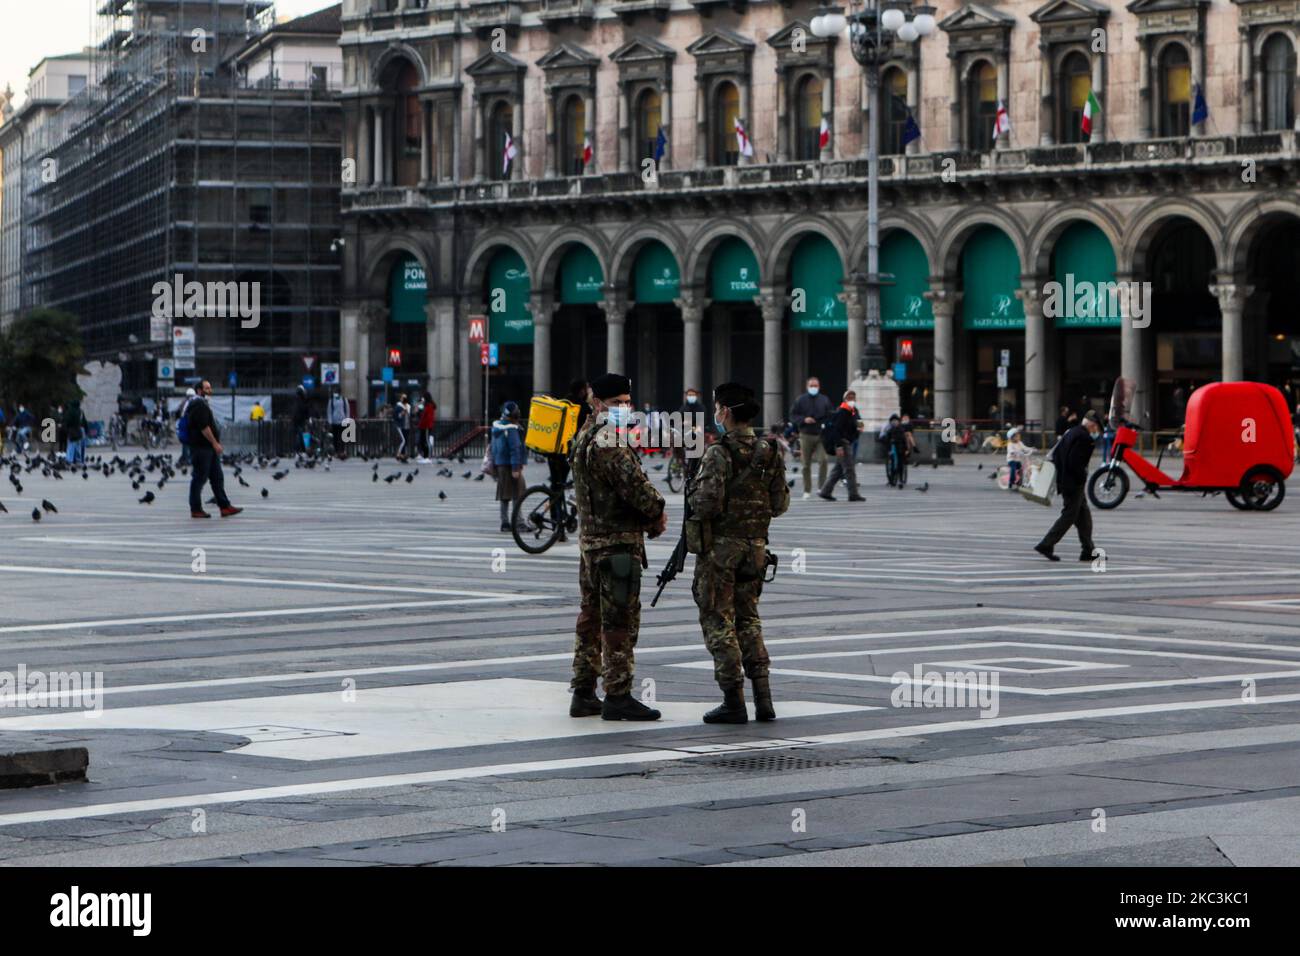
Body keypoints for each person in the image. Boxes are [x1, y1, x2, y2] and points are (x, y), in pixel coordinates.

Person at [688, 382, 789, 723]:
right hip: (756, 551)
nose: (715, 414)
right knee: (749, 619)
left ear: (726, 413)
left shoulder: (719, 453)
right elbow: (780, 504)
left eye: (717, 408)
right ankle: (764, 698)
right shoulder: (769, 451)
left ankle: (733, 698)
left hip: (721, 552)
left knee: (719, 619)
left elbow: (705, 504)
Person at [569, 372, 667, 722]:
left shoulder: (583, 437)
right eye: (616, 404)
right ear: (597, 404)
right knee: (619, 622)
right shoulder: (609, 441)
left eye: (627, 403)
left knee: (590, 618)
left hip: (591, 545)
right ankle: (619, 695)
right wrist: (657, 512)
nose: (625, 408)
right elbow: (637, 489)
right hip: (617, 549)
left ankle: (583, 691)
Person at [1035, 409, 1101, 561]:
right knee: (1069, 515)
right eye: (1096, 427)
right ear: (1091, 423)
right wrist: (1082, 476)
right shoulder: (1084, 438)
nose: (1096, 431)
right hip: (1073, 483)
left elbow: (1058, 455)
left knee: (1083, 516)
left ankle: (1088, 550)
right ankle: (1046, 544)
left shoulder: (1072, 432)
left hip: (1066, 480)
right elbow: (1074, 462)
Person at [186, 380, 242, 519]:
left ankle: (224, 506)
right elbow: (204, 427)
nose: (210, 390)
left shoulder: (202, 404)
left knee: (217, 477)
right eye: (207, 388)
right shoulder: (198, 405)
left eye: (210, 388)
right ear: (199, 390)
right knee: (199, 478)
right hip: (202, 448)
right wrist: (215, 443)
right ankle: (196, 509)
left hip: (208, 449)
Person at [789, 377, 834, 499]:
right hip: (805, 434)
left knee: (823, 460)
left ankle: (822, 487)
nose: (814, 388)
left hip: (820, 435)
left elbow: (830, 415)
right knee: (805, 464)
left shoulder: (824, 400)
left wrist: (824, 424)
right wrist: (803, 419)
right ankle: (807, 489)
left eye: (816, 385)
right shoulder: (800, 400)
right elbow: (793, 415)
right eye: (812, 385)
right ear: (807, 386)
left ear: (819, 387)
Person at [818, 390, 865, 502]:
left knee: (838, 470)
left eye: (853, 397)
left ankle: (825, 491)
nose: (851, 399)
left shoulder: (853, 411)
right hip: (843, 443)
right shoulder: (842, 411)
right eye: (849, 397)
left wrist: (860, 427)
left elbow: (859, 421)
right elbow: (836, 430)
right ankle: (853, 494)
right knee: (849, 469)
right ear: (844, 399)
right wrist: (838, 446)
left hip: (849, 441)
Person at [491, 400, 526, 532]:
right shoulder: (511, 429)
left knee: (504, 495)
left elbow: (493, 448)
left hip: (500, 465)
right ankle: (519, 522)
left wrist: (495, 466)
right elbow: (515, 448)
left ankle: (504, 522)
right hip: (511, 466)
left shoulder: (497, 427)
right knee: (518, 494)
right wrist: (516, 468)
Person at [63, 399, 88, 465]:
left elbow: (67, 421)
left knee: (71, 445)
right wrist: (87, 430)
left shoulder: (70, 411)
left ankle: (69, 459)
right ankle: (78, 460)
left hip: (72, 430)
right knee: (78, 446)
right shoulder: (80, 411)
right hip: (79, 430)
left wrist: (65, 428)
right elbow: (84, 422)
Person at [177, 388, 198, 466]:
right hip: (187, 424)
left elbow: (179, 412)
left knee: (185, 442)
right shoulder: (191, 403)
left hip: (183, 424)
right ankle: (187, 458)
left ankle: (184, 457)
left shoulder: (183, 402)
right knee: (188, 442)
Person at [416, 391, 436, 462]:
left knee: (426, 441)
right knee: (422, 441)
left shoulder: (429, 406)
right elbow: (422, 415)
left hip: (426, 426)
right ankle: (424, 456)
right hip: (423, 426)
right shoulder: (426, 405)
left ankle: (428, 457)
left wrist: (423, 424)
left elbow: (428, 418)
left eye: (423, 397)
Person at [327, 389, 348, 456]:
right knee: (335, 437)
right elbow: (329, 411)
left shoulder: (344, 400)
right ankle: (336, 451)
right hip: (334, 421)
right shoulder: (331, 400)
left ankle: (342, 451)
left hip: (342, 421)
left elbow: (347, 410)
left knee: (343, 437)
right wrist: (330, 421)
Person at [292, 385, 311, 455]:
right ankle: (303, 450)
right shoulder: (303, 400)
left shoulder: (296, 400)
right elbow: (305, 410)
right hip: (301, 421)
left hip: (297, 421)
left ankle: (299, 450)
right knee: (304, 435)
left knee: (300, 435)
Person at [392, 393, 411, 460]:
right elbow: (395, 416)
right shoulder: (398, 406)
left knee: (405, 441)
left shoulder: (408, 406)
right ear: (401, 399)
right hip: (401, 426)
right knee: (403, 440)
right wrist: (401, 414)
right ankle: (399, 454)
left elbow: (410, 416)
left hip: (407, 426)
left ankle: (402, 455)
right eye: (403, 398)